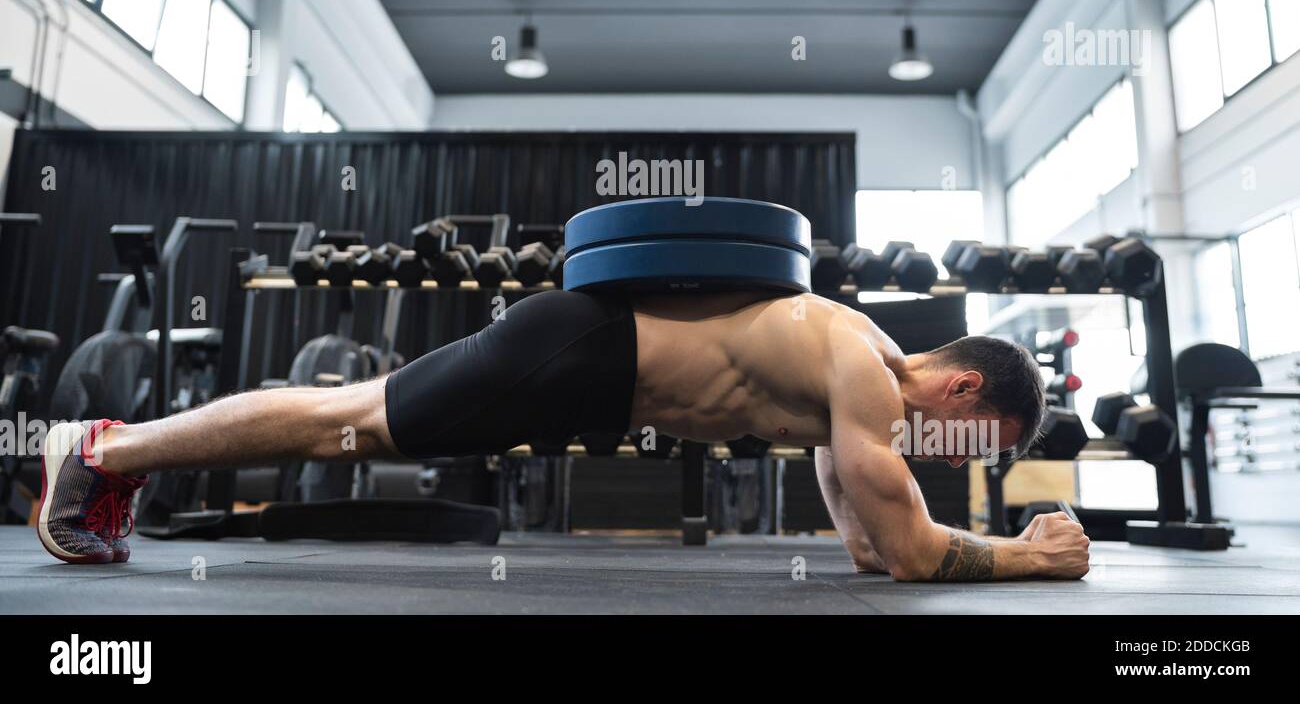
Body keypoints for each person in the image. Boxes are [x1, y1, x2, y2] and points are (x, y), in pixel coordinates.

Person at [37, 289, 1089, 579]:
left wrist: (931, 546)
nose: (957, 454)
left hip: (586, 363)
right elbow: (910, 550)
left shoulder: (850, 380)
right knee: (340, 420)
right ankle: (99, 451)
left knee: (344, 421)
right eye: (974, 435)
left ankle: (108, 453)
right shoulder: (859, 370)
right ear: (958, 384)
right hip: (579, 354)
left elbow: (870, 547)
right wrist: (1026, 558)